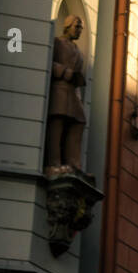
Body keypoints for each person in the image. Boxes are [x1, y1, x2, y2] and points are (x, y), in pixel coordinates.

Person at [44, 14, 88, 175]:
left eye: (81, 29)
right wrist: (64, 72)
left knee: (79, 122)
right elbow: (48, 60)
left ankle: (73, 164)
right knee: (57, 125)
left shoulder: (78, 50)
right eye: (77, 27)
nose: (79, 31)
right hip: (60, 89)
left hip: (73, 93)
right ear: (67, 26)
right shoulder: (57, 42)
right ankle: (54, 163)